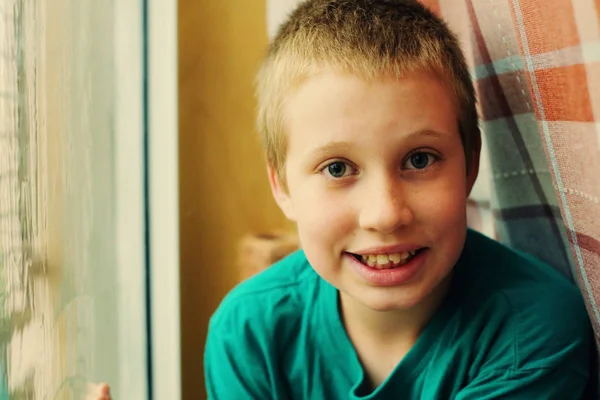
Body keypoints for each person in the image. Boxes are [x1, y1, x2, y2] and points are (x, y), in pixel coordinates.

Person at [91, 0, 594, 399]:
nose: (385, 213)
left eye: (419, 160)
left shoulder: (537, 330)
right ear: (282, 186)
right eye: (337, 168)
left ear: (470, 163)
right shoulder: (249, 333)